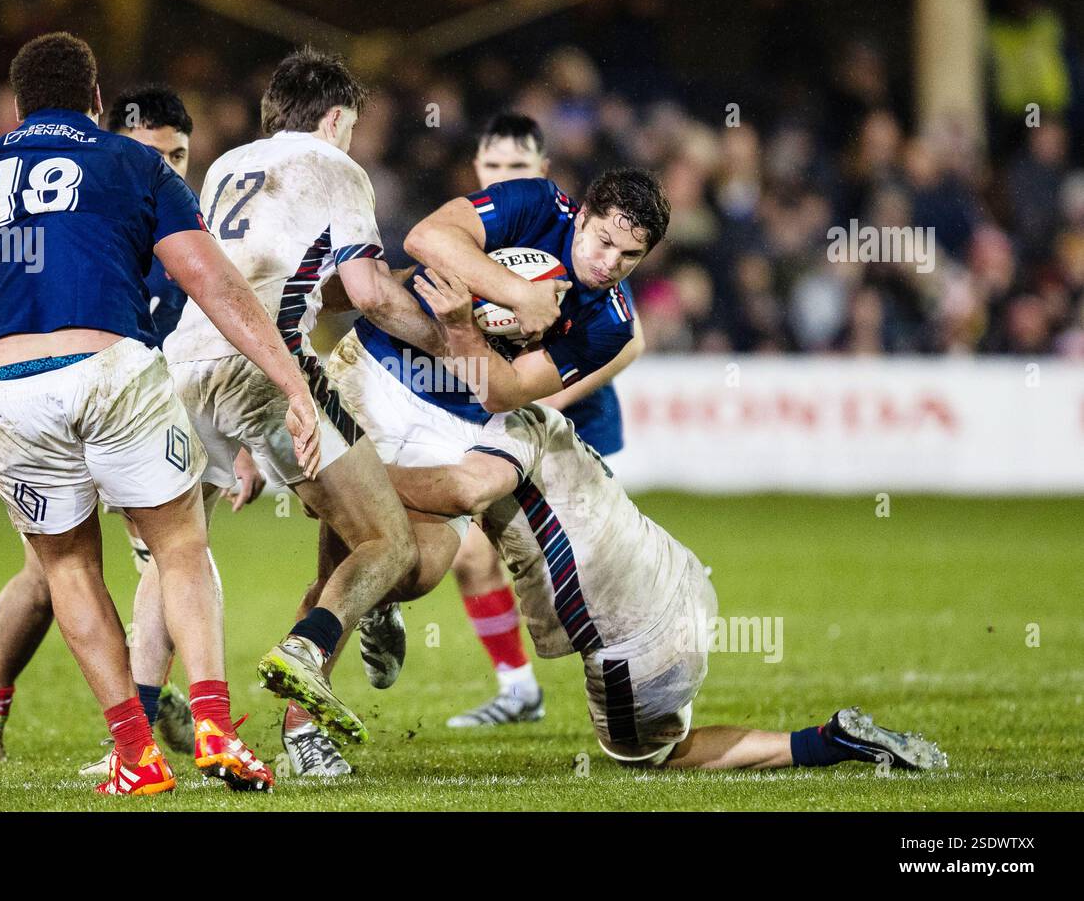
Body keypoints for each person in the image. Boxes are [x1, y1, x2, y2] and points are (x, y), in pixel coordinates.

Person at [0, 32, 317, 795]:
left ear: (14, 106)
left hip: (6, 390)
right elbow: (212, 281)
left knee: (66, 565)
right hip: (110, 369)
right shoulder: (132, 161)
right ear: (98, 102)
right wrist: (290, 380)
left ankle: (135, 755)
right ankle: (213, 725)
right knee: (178, 548)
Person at [383, 267, 948, 774]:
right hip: (683, 583)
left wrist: (359, 474)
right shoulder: (545, 417)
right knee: (664, 727)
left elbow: (462, 490)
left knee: (651, 753)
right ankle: (830, 739)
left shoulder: (504, 427)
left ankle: (829, 741)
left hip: (635, 638)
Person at [0, 85, 266, 782]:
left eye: (178, 153)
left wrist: (236, 433)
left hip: (132, 404)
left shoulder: (181, 218)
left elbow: (205, 333)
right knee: (48, 573)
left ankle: (143, 722)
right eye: (153, 151)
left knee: (159, 558)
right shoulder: (94, 212)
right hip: (75, 400)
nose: (167, 163)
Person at [162, 48, 458, 770]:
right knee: (390, 544)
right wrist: (454, 340)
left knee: (172, 558)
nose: (353, 143)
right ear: (333, 120)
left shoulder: (230, 163)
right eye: (350, 128)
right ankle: (311, 648)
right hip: (265, 367)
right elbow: (366, 291)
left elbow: (281, 276)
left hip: (182, 366)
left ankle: (142, 721)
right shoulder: (337, 168)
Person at [340, 164, 667, 702]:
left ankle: (370, 572)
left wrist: (467, 325)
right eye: (604, 241)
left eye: (630, 256)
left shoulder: (611, 323)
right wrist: (520, 293)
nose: (610, 264)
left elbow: (504, 394)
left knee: (418, 572)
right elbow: (426, 237)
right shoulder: (539, 204)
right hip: (385, 366)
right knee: (339, 545)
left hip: (463, 416)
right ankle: (304, 722)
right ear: (582, 217)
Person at [446, 113, 646, 729]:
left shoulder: (587, 244)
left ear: (542, 171)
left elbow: (631, 339)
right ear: (480, 172)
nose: (506, 174)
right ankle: (519, 685)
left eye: (517, 166)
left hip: (568, 417)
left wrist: (543, 403)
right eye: (494, 166)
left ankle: (625, 683)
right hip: (496, 408)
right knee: (468, 548)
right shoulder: (490, 231)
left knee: (574, 566)